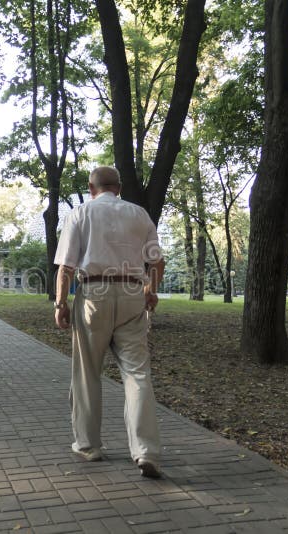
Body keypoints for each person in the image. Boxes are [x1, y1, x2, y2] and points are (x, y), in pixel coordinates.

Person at [53, 165, 165, 478]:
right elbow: (157, 262)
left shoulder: (80, 214)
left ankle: (88, 445)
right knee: (137, 374)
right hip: (132, 293)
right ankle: (146, 451)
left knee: (87, 373)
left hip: (94, 294)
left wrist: (60, 303)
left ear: (92, 189)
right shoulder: (139, 214)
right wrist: (150, 290)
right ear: (119, 188)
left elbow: (66, 267)